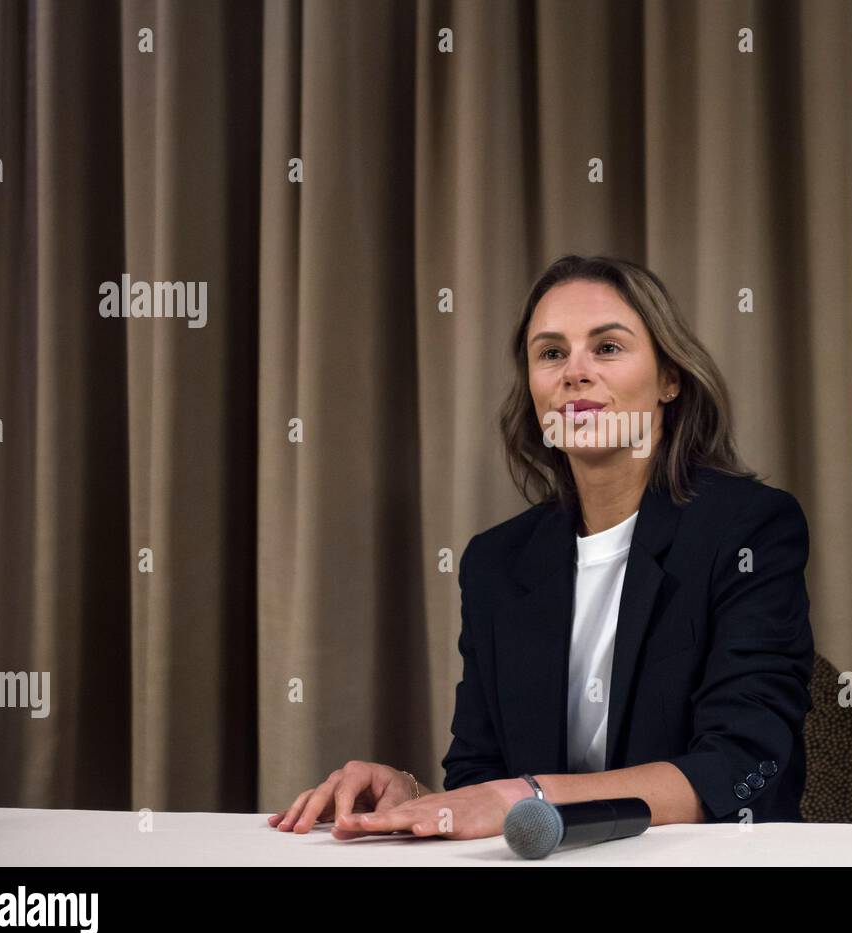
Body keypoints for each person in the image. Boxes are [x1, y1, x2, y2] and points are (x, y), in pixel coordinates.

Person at [269, 254, 814, 840]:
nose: (574, 373)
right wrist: (419, 794)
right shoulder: (497, 562)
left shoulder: (749, 528)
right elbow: (482, 772)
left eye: (607, 347)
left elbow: (741, 767)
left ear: (669, 380)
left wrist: (527, 794)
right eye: (551, 353)